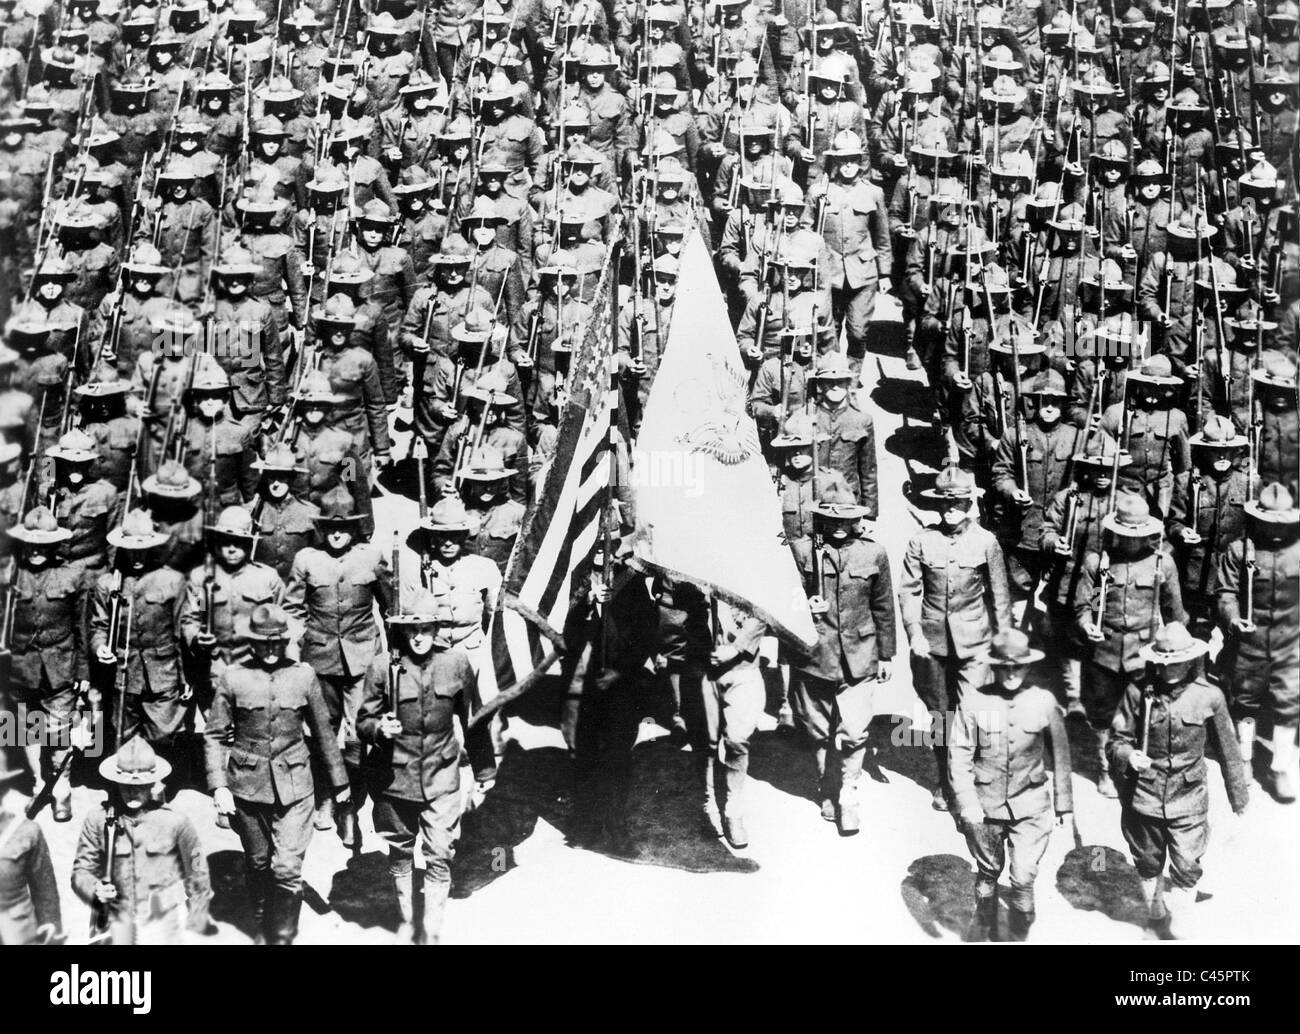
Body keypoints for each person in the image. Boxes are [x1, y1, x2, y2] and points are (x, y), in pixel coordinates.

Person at [204, 603, 349, 945]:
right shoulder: (233, 678)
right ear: (251, 643)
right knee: (257, 862)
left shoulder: (303, 676)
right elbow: (213, 734)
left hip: (296, 786)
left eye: (277, 643)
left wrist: (340, 782)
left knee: (285, 867)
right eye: (263, 643)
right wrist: (218, 786)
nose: (270, 650)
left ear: (285, 642)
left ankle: (280, 937)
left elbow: (324, 732)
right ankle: (260, 922)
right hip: (246, 787)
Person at [358, 589, 485, 945]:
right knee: (399, 849)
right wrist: (379, 728)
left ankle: (430, 932)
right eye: (412, 630)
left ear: (436, 629)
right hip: (393, 778)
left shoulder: (456, 663)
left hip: (441, 776)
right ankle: (406, 921)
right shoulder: (382, 666)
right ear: (401, 631)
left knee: (440, 853)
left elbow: (473, 718)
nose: (418, 637)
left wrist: (485, 769)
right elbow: (362, 721)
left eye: (426, 629)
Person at [1107, 623, 1249, 939]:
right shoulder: (1136, 692)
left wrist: (1238, 797)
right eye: (1164, 662)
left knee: (1187, 866)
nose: (1170, 669)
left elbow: (1229, 750)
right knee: (1147, 862)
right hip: (1144, 795)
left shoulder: (1209, 696)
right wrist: (1128, 755)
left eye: (1177, 662)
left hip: (1189, 798)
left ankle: (1179, 928)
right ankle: (1156, 914)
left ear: (1190, 660)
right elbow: (1116, 740)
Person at [949, 630, 1073, 942]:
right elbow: (959, 754)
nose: (1011, 674)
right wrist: (967, 802)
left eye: (1017, 667)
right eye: (1004, 668)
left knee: (1024, 873)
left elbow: (1061, 753)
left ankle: (1020, 924)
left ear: (1028, 666)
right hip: (985, 803)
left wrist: (1064, 805)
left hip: (1031, 802)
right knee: (989, 868)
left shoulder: (1043, 701)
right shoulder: (974, 702)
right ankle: (985, 911)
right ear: (995, 667)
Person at [900, 464, 1012, 811]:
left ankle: (974, 777)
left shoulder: (986, 542)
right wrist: (914, 632)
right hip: (932, 643)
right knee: (939, 714)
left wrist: (1004, 645)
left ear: (969, 505)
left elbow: (999, 597)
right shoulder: (922, 541)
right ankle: (945, 780)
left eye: (959, 504)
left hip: (976, 643)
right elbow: (909, 591)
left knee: (974, 712)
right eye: (945, 504)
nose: (951, 510)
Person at [790, 483, 895, 835]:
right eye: (830, 518)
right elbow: (783, 601)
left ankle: (848, 794)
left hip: (859, 656)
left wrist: (887, 655)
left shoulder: (873, 553)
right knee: (817, 731)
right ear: (818, 517)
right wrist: (802, 604)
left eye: (847, 518)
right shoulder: (801, 552)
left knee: (853, 731)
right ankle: (826, 787)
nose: (839, 525)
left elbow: (883, 606)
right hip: (814, 655)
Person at [72, 737, 212, 945]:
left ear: (153, 783)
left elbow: (198, 876)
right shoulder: (98, 820)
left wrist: (196, 922)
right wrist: (95, 888)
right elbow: (81, 871)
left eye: (141, 785)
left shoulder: (176, 823)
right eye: (126, 784)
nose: (132, 791)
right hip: (115, 919)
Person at [0, 750, 63, 945]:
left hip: (18, 934)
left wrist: (51, 931)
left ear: (3, 789)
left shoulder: (27, 831)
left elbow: (45, 891)